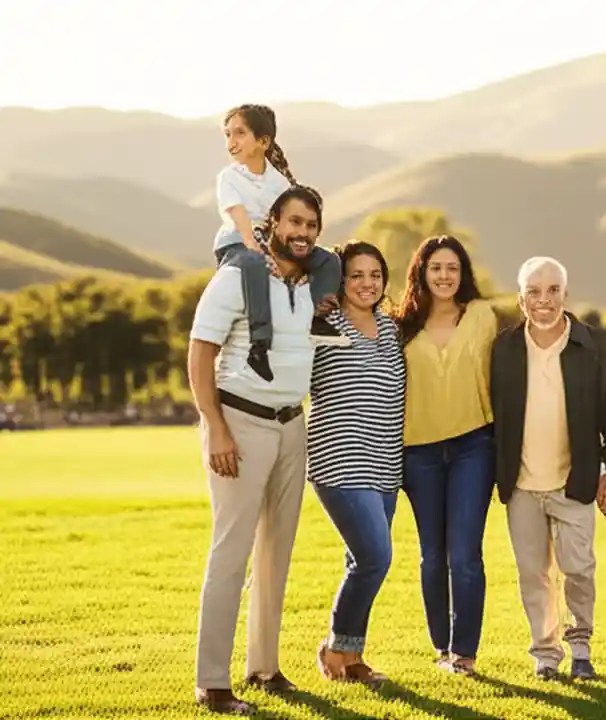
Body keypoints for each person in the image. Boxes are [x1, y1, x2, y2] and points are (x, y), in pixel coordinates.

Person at [187, 185, 325, 715]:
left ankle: (264, 668)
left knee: (276, 552)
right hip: (239, 423)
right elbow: (200, 355)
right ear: (272, 223)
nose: (302, 232)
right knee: (231, 550)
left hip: (294, 426)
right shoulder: (237, 276)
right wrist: (216, 427)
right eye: (294, 222)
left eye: (311, 225)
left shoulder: (313, 283)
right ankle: (213, 681)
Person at [489, 256, 606, 681]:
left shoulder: (590, 347)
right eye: (534, 291)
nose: (544, 300)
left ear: (564, 296)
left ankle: (581, 647)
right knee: (533, 575)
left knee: (579, 570)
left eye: (552, 291)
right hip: (523, 485)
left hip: (575, 480)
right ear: (521, 299)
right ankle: (546, 654)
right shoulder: (505, 349)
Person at [397, 236, 499, 676]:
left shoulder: (482, 316)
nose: (444, 276)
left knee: (465, 553)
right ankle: (442, 647)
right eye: (435, 267)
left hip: (473, 446)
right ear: (420, 272)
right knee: (432, 555)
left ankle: (465, 654)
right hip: (416, 451)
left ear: (463, 273)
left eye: (452, 268)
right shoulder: (400, 325)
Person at [309, 241, 406, 688]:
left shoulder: (390, 328)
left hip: (385, 466)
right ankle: (334, 648)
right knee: (375, 557)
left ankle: (352, 656)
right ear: (340, 280)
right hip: (338, 462)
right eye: (356, 275)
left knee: (360, 560)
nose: (367, 284)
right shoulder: (322, 324)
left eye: (375, 275)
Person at [212, 104, 345, 382]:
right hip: (238, 241)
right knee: (253, 264)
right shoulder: (229, 178)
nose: (231, 142)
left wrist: (293, 249)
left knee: (328, 260)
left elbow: (287, 221)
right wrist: (257, 248)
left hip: (270, 241)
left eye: (239, 133)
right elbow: (239, 218)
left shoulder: (279, 183)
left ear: (263, 141)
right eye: (227, 134)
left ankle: (315, 318)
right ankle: (259, 343)